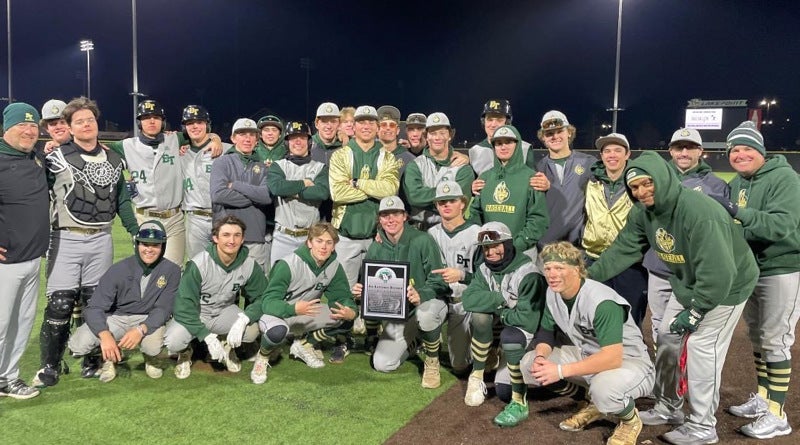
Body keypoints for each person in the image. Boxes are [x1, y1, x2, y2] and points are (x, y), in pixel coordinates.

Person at [587, 151, 759, 445]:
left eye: (647, 183)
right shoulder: (643, 212)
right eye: (635, 188)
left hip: (727, 287)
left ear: (662, 178)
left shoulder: (698, 211)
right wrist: (588, 275)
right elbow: (624, 249)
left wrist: (695, 312)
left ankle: (703, 426)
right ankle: (669, 407)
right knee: (667, 336)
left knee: (703, 348)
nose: (642, 192)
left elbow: (719, 273)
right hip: (688, 281)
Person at [34, 97, 139, 386]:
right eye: (78, 121)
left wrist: (134, 229)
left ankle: (91, 361)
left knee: (96, 302)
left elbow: (122, 200)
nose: (85, 124)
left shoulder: (115, 159)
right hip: (65, 237)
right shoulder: (53, 158)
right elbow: (35, 195)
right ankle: (50, 365)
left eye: (89, 120)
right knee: (60, 302)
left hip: (101, 238)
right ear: (69, 127)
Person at [522, 242, 654, 445]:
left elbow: (612, 358)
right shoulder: (554, 293)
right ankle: (594, 403)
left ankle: (629, 421)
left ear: (577, 269)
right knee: (530, 365)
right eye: (548, 268)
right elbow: (546, 333)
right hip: (589, 356)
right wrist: (541, 356)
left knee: (604, 390)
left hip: (629, 363)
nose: (552, 274)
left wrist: (560, 371)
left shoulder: (601, 302)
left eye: (559, 268)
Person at [721, 121, 800, 439]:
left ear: (761, 151)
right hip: (754, 269)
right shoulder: (739, 182)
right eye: (734, 150)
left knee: (776, 340)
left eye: (746, 148)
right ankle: (765, 400)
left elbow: (782, 226)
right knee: (759, 338)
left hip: (782, 268)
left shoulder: (784, 178)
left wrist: (738, 215)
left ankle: (777, 414)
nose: (740, 155)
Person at [107, 99, 221, 265]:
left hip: (174, 219)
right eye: (146, 118)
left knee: (173, 269)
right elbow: (93, 146)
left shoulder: (174, 139)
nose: (152, 121)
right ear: (139, 123)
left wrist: (214, 138)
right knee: (147, 270)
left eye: (156, 117)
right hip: (144, 217)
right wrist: (58, 143)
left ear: (163, 121)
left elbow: (199, 133)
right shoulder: (126, 145)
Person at [353, 196, 451, 388]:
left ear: (405, 216)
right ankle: (416, 342)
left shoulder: (422, 240)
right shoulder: (376, 246)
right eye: (385, 215)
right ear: (379, 219)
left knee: (426, 315)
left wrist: (421, 294)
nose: (391, 220)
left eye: (396, 214)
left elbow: (440, 281)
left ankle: (432, 361)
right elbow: (373, 286)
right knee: (382, 364)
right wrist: (362, 292)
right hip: (399, 314)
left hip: (427, 304)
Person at [643, 128, 729, 343]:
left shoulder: (716, 185)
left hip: (692, 272)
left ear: (700, 151)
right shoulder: (653, 180)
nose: (683, 152)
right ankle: (664, 374)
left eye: (689, 147)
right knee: (658, 323)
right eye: (678, 147)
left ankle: (683, 374)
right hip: (659, 266)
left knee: (687, 327)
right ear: (670, 151)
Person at [67, 221, 180, 383]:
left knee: (152, 346)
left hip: (147, 318)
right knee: (79, 343)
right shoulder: (118, 269)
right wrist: (104, 335)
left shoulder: (172, 270)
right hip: (117, 317)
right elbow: (95, 307)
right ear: (137, 244)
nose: (149, 249)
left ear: (163, 247)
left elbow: (164, 308)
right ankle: (108, 358)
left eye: (155, 245)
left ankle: (150, 357)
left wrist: (141, 330)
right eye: (145, 244)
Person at [461, 221, 547, 428]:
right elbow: (468, 300)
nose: (490, 252)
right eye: (486, 248)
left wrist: (498, 308)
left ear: (507, 245)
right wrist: (501, 300)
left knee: (503, 389)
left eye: (495, 246)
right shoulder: (484, 269)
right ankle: (477, 374)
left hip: (534, 337)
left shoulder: (528, 273)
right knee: (479, 316)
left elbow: (528, 320)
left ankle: (520, 401)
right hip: (509, 326)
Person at [251, 222, 357, 382]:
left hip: (304, 313)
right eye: (319, 241)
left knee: (345, 317)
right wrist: (293, 308)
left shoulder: (334, 266)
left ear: (334, 246)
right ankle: (263, 357)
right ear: (309, 242)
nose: (324, 247)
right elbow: (268, 303)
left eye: (329, 243)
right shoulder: (288, 264)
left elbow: (342, 297)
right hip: (277, 315)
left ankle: (304, 344)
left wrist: (350, 310)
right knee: (277, 332)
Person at [164, 215, 266, 379]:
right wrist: (206, 336)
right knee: (173, 341)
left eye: (236, 235)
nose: (231, 241)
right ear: (215, 238)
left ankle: (227, 346)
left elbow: (263, 298)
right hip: (197, 312)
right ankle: (185, 352)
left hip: (224, 311)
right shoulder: (198, 264)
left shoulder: (249, 265)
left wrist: (244, 319)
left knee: (252, 331)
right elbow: (183, 308)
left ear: (242, 239)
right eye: (226, 235)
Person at [0, 102, 48, 400]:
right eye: (22, 125)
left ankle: (9, 378)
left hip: (33, 258)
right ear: (6, 128)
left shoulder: (36, 158)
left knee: (22, 322)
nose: (29, 130)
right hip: (7, 262)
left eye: (33, 125)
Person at [328, 105, 401, 287]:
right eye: (361, 122)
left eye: (371, 122)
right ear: (354, 126)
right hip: (345, 237)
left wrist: (357, 182)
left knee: (379, 292)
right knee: (345, 294)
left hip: (376, 236)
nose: (366, 126)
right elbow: (338, 193)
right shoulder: (340, 155)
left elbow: (390, 190)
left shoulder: (388, 157)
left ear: (377, 127)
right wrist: (374, 190)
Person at [582, 133, 648, 327]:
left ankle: (631, 357)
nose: (612, 155)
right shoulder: (591, 181)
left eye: (618, 150)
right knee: (597, 316)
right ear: (601, 155)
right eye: (607, 151)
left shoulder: (639, 183)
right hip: (594, 257)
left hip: (630, 263)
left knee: (630, 320)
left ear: (627, 154)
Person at [469, 124, 549, 259]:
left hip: (522, 254)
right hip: (490, 253)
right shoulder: (485, 177)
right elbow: (475, 215)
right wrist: (487, 244)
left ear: (517, 145)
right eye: (499, 143)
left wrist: (515, 246)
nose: (503, 147)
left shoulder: (532, 178)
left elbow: (538, 220)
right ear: (493, 147)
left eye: (508, 142)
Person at [427, 181, 481, 375]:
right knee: (423, 314)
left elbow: (487, 279)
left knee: (459, 365)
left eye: (451, 201)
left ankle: (491, 345)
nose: (446, 205)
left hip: (466, 302)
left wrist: (462, 275)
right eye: (442, 202)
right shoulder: (431, 234)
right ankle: (420, 339)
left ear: (462, 203)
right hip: (440, 298)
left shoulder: (477, 233)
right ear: (436, 206)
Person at [210, 118, 272, 272]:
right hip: (227, 235)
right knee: (226, 290)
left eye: (252, 134)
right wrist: (253, 198)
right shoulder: (222, 162)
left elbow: (266, 197)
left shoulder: (263, 166)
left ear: (257, 139)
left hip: (255, 234)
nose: (247, 138)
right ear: (233, 138)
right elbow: (218, 195)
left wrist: (236, 185)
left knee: (256, 290)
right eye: (242, 134)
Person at [267, 121, 329, 265]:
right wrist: (304, 183)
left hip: (310, 237)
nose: (298, 141)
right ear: (287, 142)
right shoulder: (278, 166)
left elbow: (322, 193)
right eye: (293, 138)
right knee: (278, 280)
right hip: (283, 236)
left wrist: (292, 191)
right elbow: (277, 188)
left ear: (309, 141)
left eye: (302, 137)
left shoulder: (320, 168)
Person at [534, 110, 597, 248]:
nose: (554, 137)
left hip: (578, 247)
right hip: (546, 247)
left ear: (569, 132)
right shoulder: (537, 168)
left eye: (559, 131)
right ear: (543, 138)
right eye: (549, 134)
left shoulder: (589, 163)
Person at [404, 113, 475, 230]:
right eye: (433, 133)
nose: (437, 138)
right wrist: (448, 196)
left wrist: (426, 200)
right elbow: (414, 197)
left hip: (451, 230)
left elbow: (459, 204)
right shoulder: (414, 165)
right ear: (426, 136)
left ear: (450, 135)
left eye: (442, 133)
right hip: (419, 231)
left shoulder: (463, 168)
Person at [180, 105, 228, 261]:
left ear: (207, 125)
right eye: (190, 123)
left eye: (200, 122)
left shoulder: (224, 150)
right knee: (197, 266)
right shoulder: (179, 152)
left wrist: (216, 138)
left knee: (225, 264)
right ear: (184, 127)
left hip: (223, 216)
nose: (195, 126)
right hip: (195, 219)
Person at [468, 99, 534, 176]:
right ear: (484, 122)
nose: (493, 125)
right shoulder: (474, 151)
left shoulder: (524, 148)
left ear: (507, 123)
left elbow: (532, 179)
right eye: (489, 120)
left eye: (499, 120)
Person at [377, 105, 415, 175]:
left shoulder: (410, 160)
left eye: (392, 125)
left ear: (397, 130)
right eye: (384, 125)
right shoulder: (369, 156)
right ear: (377, 129)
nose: (388, 128)